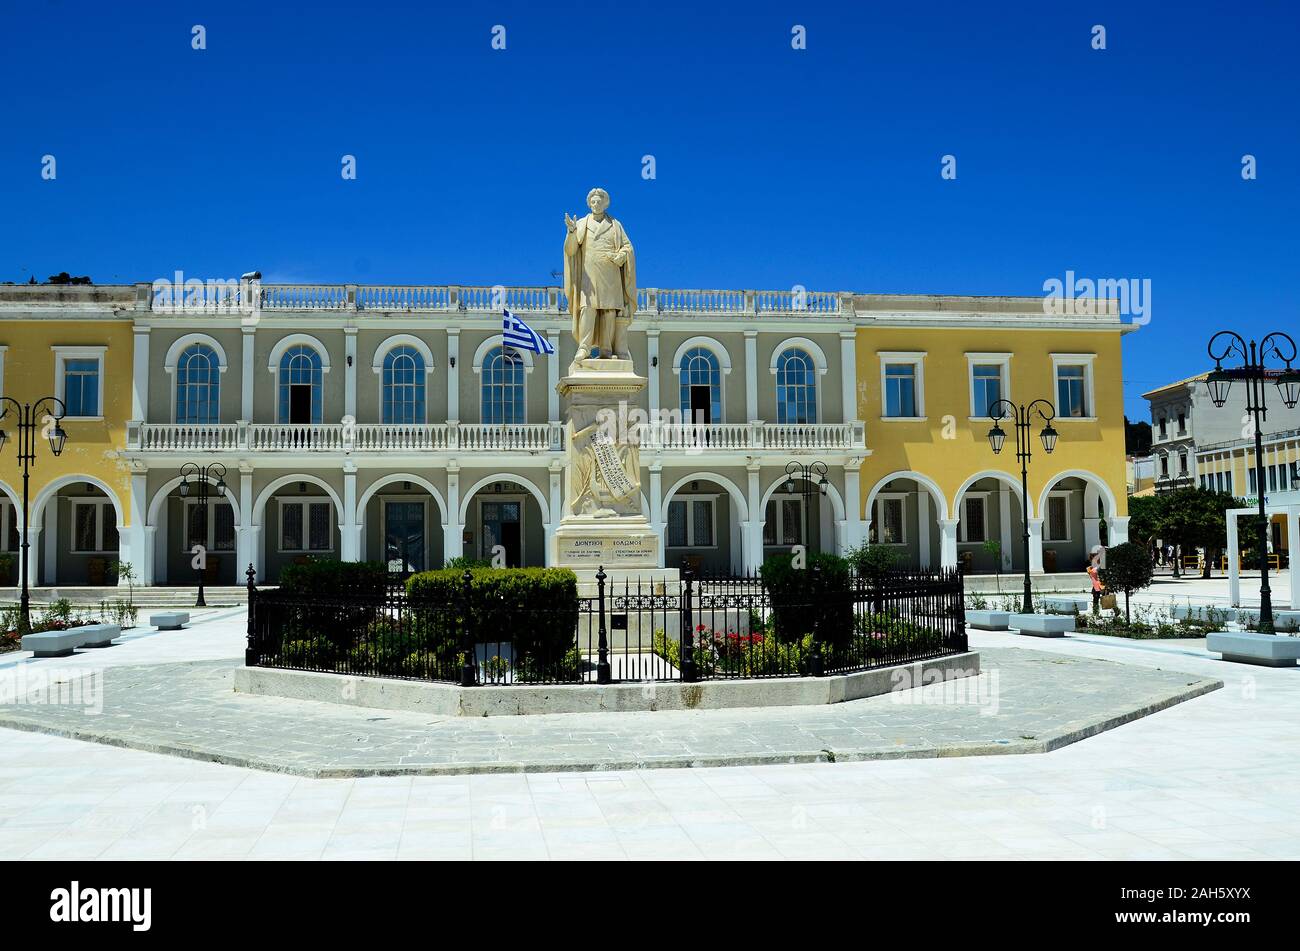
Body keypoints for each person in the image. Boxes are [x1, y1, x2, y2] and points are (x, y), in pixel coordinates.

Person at [1087, 545, 1105, 614]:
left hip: (1102, 585)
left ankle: (1116, 610)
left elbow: (1103, 575)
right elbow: (1092, 576)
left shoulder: (1101, 565)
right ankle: (1095, 613)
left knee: (1107, 599)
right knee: (1095, 599)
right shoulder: (1091, 567)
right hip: (1095, 586)